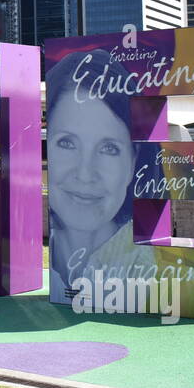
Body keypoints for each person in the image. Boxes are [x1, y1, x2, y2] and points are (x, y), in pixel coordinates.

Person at [45, 48, 153, 304]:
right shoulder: (23, 261)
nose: (85, 174)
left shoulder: (161, 272)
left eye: (109, 148)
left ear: (133, 160)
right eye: (67, 143)